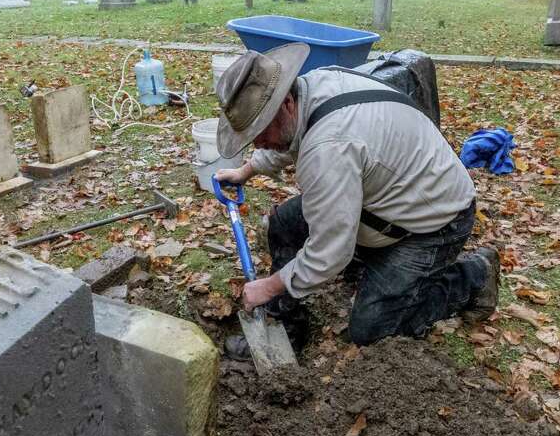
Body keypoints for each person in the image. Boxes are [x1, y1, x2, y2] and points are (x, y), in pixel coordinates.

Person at [212, 42, 499, 352]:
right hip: (388, 193)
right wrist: (248, 169)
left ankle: (473, 277)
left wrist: (267, 287)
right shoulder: (313, 86)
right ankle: (285, 324)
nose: (259, 143)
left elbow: (329, 255)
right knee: (284, 223)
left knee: (372, 329)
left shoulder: (328, 150)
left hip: (434, 221)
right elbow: (289, 138)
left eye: (260, 130)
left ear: (286, 103)